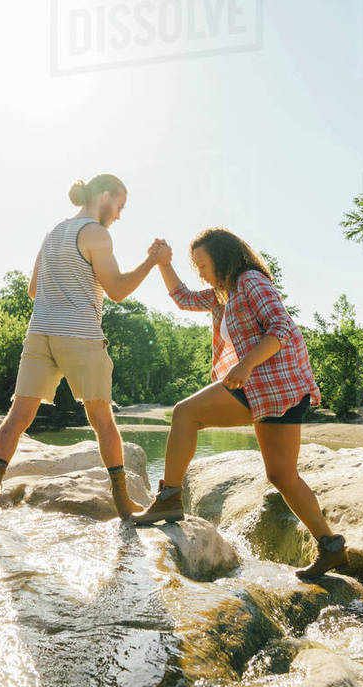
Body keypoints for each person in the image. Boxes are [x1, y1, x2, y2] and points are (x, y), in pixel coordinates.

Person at [132, 229, 349, 580]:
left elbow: (282, 327)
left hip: (275, 384)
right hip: (271, 390)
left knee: (185, 414)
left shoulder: (250, 281)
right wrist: (163, 263)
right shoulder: (224, 294)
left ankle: (169, 499)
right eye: (196, 266)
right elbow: (183, 298)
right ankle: (331, 547)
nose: (200, 272)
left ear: (222, 257)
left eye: (203, 264)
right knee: (282, 475)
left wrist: (245, 364)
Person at [0, 173, 162, 521]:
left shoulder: (52, 233)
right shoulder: (95, 233)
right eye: (119, 205)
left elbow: (32, 291)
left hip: (40, 331)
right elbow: (118, 290)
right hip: (80, 334)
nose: (119, 214)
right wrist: (153, 261)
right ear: (104, 196)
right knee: (102, 420)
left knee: (17, 417)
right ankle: (123, 503)